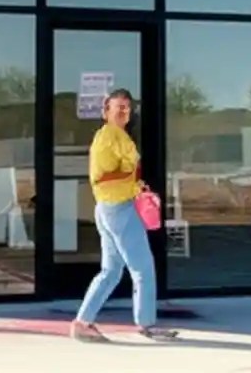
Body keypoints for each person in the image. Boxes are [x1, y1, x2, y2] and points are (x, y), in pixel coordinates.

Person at [71, 88, 178, 343]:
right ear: (106, 111)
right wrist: (131, 179)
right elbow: (101, 177)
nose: (123, 112)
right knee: (143, 268)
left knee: (110, 271)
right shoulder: (109, 137)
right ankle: (146, 324)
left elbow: (115, 175)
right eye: (118, 107)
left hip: (108, 207)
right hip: (119, 208)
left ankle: (82, 323)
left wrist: (136, 185)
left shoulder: (115, 136)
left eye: (127, 108)